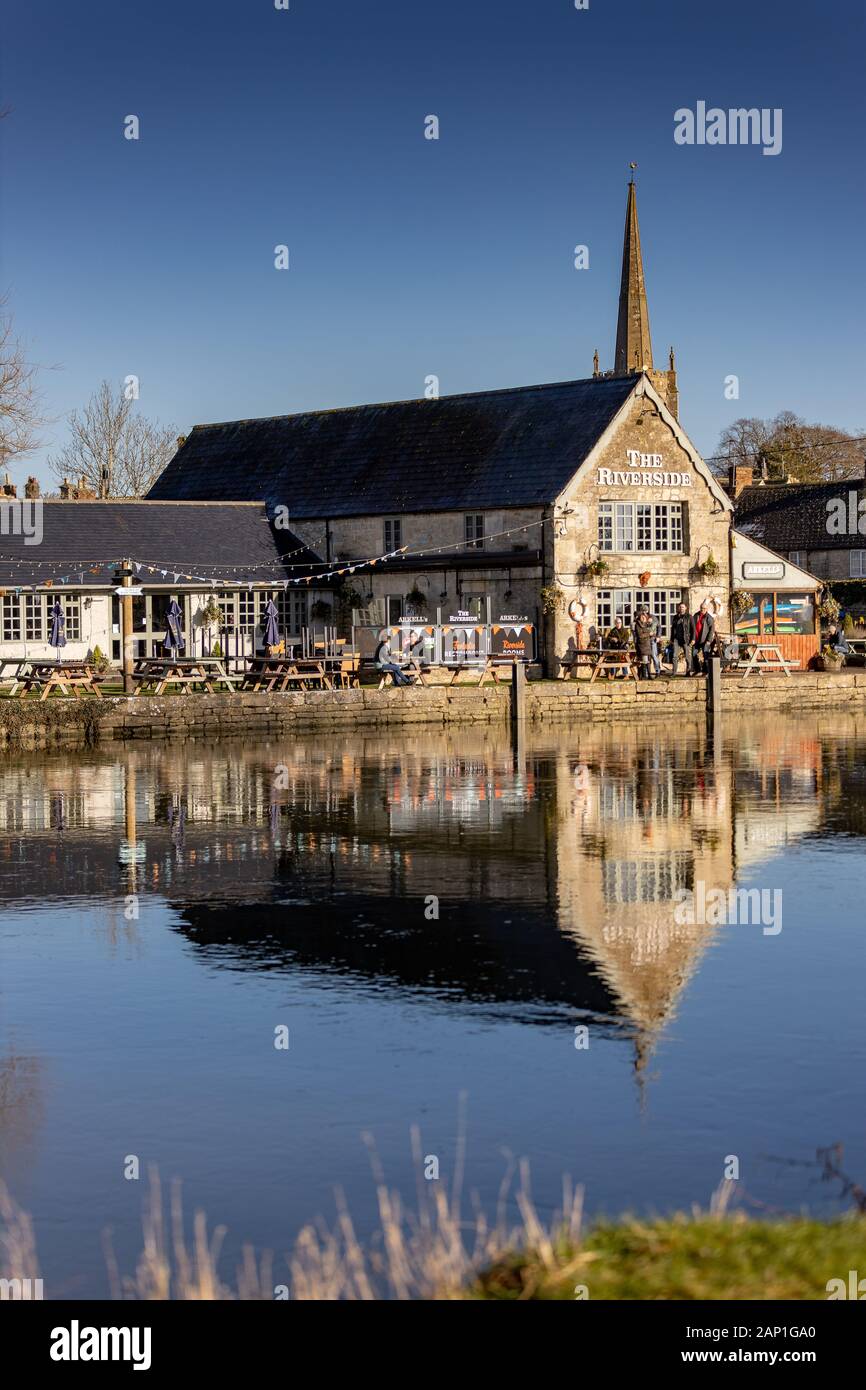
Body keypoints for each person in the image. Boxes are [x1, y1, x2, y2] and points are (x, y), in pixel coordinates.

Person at [670, 602, 695, 677]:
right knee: (674, 656)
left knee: (687, 656)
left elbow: (693, 629)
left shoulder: (689, 617)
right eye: (680, 607)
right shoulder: (675, 617)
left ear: (686, 608)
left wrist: (693, 639)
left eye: (683, 607)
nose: (681, 608)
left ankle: (688, 672)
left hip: (685, 639)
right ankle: (674, 673)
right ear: (678, 608)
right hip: (676, 639)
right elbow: (672, 628)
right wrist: (671, 638)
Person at [692, 601, 716, 675]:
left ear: (707, 609)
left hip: (705, 640)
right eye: (701, 608)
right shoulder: (696, 615)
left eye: (704, 608)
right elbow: (692, 626)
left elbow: (712, 630)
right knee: (693, 654)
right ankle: (698, 670)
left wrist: (708, 640)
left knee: (705, 655)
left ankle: (706, 671)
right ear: (700, 608)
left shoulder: (709, 618)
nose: (703, 610)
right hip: (696, 639)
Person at [632, 607, 656, 680]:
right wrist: (649, 634)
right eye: (642, 616)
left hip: (647, 644)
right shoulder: (637, 625)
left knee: (648, 660)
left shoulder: (645, 624)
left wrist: (652, 633)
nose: (644, 617)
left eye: (644, 616)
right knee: (642, 661)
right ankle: (642, 675)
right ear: (639, 617)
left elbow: (653, 628)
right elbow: (640, 635)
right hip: (641, 645)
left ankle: (648, 675)